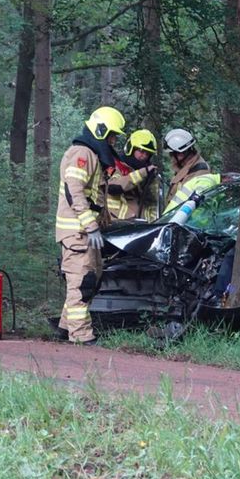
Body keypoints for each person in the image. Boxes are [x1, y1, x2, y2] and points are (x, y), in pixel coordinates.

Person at [54, 106, 125, 345]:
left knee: (89, 280)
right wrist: (90, 226)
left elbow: (94, 198)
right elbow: (73, 190)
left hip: (85, 231)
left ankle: (66, 328)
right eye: (112, 135)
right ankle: (81, 336)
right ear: (101, 131)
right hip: (78, 232)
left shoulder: (92, 155)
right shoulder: (81, 153)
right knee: (81, 282)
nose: (114, 141)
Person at [161, 128, 221, 214]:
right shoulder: (185, 168)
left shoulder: (199, 172)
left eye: (172, 154)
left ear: (180, 154)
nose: (171, 158)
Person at [106, 129, 160, 222]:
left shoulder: (150, 174)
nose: (144, 156)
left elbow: (153, 206)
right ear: (131, 148)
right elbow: (113, 187)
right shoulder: (117, 165)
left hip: (141, 227)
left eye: (147, 153)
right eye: (141, 151)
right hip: (116, 224)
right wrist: (141, 174)